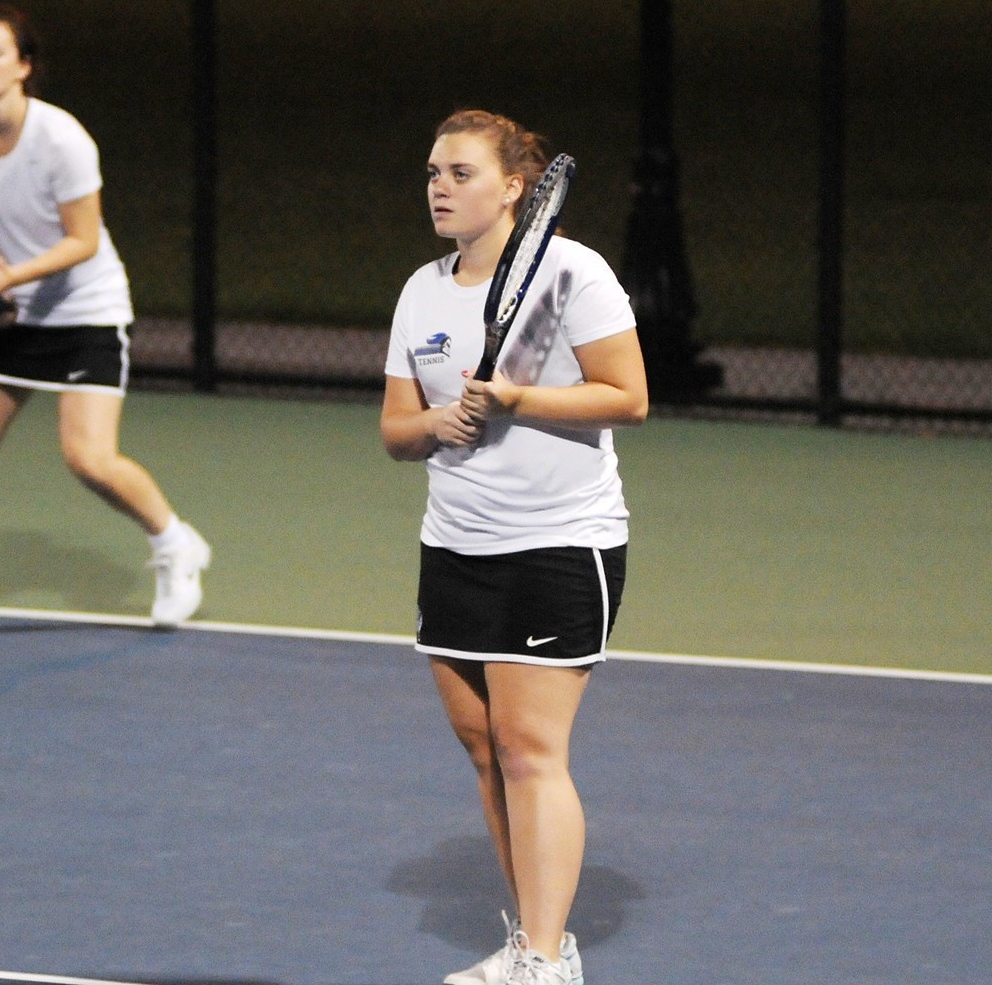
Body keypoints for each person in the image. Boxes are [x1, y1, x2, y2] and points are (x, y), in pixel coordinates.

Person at [380, 109, 648, 985]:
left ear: (512, 188)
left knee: (531, 747)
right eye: (433, 173)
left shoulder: (575, 274)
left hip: (559, 544)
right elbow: (395, 431)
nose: (439, 188)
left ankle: (544, 957)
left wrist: (515, 400)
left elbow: (629, 396)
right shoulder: (421, 291)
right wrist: (437, 422)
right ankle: (534, 936)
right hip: (455, 546)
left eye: (460, 173)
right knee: (486, 750)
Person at [0, 3, 210, 630]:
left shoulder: (62, 139)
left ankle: (176, 545)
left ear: (24, 66)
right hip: (15, 314)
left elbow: (83, 240)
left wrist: (12, 277)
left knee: (89, 459)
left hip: (85, 310)